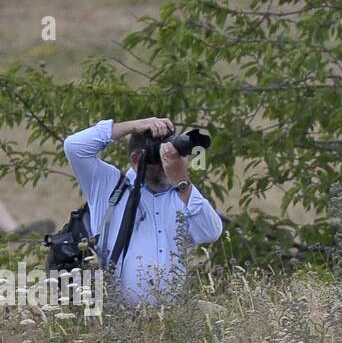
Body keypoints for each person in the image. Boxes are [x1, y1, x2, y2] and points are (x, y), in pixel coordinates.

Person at [63, 117, 223, 307]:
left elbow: (211, 232)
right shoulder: (110, 186)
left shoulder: (181, 192)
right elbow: (74, 147)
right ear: (136, 159)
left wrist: (182, 182)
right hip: (119, 316)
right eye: (162, 160)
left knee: (221, 316)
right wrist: (134, 125)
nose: (169, 164)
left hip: (174, 315)